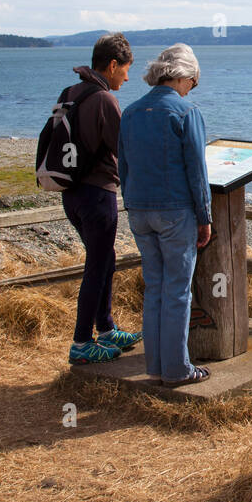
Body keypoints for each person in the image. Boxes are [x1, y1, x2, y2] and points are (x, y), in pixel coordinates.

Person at [118, 43, 213, 387]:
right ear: (183, 76)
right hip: (175, 211)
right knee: (177, 291)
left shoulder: (129, 113)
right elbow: (196, 172)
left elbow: (124, 167)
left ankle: (156, 365)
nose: (193, 88)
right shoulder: (186, 113)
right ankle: (176, 369)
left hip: (139, 209)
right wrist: (205, 217)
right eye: (194, 81)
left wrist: (131, 203)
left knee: (154, 288)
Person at [61, 33, 143, 364]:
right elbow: (125, 150)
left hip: (72, 193)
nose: (127, 76)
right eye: (125, 69)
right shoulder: (104, 100)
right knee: (97, 266)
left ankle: (106, 329)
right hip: (98, 194)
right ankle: (82, 342)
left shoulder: (72, 92)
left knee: (104, 260)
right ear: (112, 65)